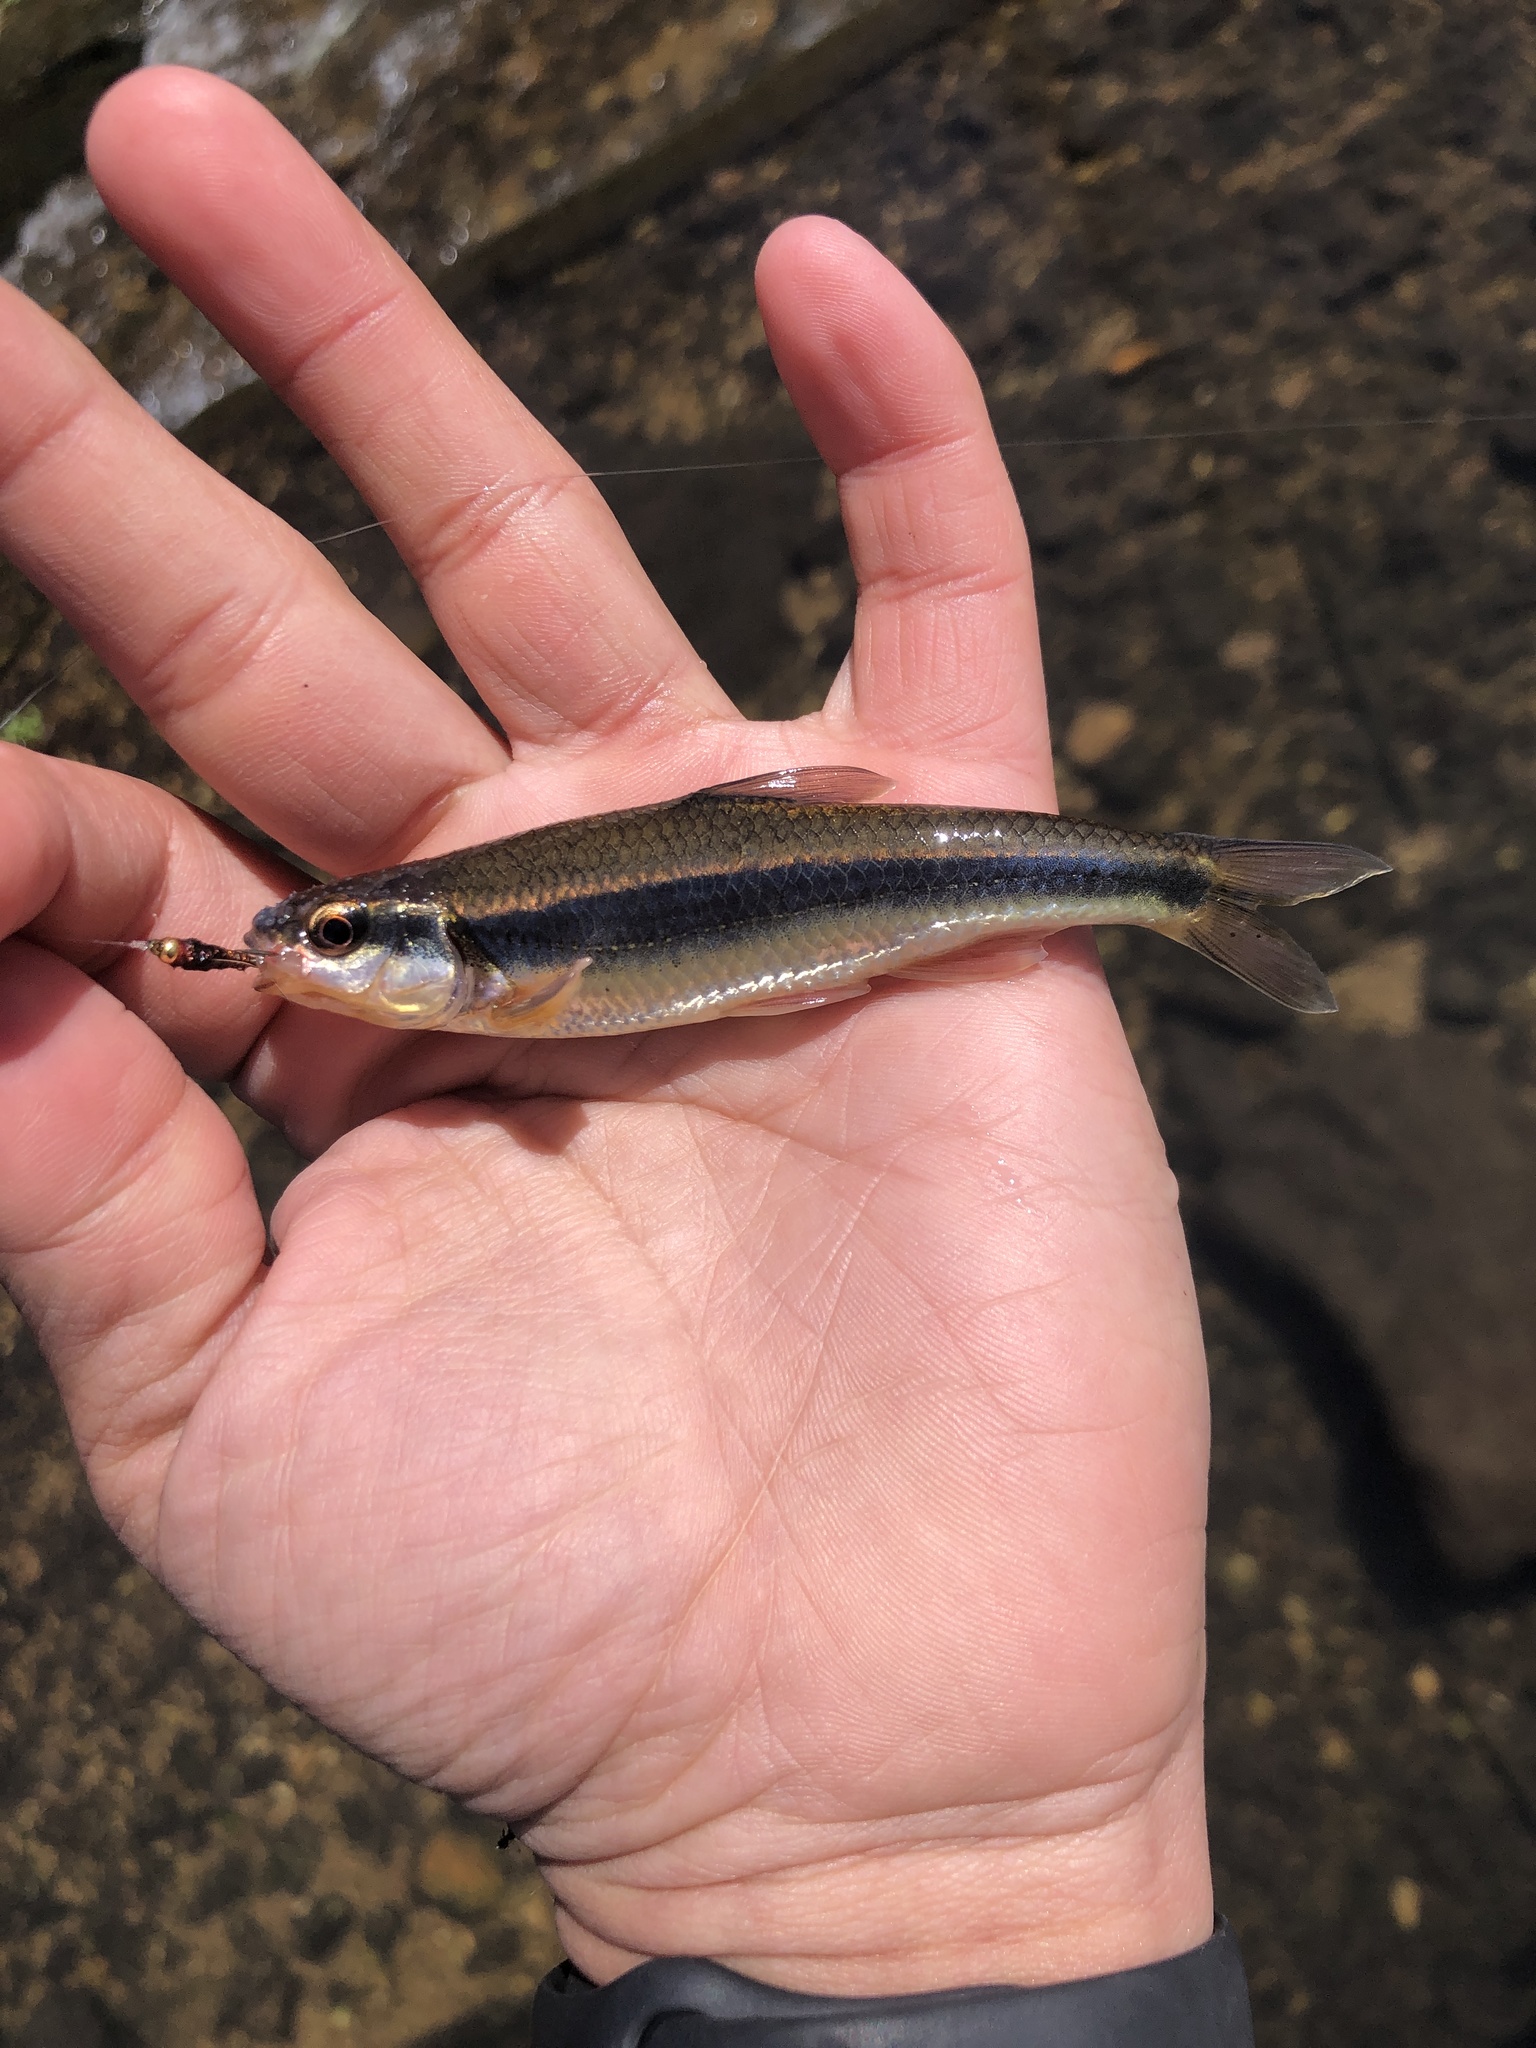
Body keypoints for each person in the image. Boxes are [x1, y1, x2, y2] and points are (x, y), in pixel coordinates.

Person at [0, 67, 1246, 2045]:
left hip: (859, 886)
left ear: (434, 943)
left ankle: (1181, 883)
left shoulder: (501, 961)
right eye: (316, 942)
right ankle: (1177, 881)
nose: (307, 961)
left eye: (343, 938)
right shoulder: (480, 958)